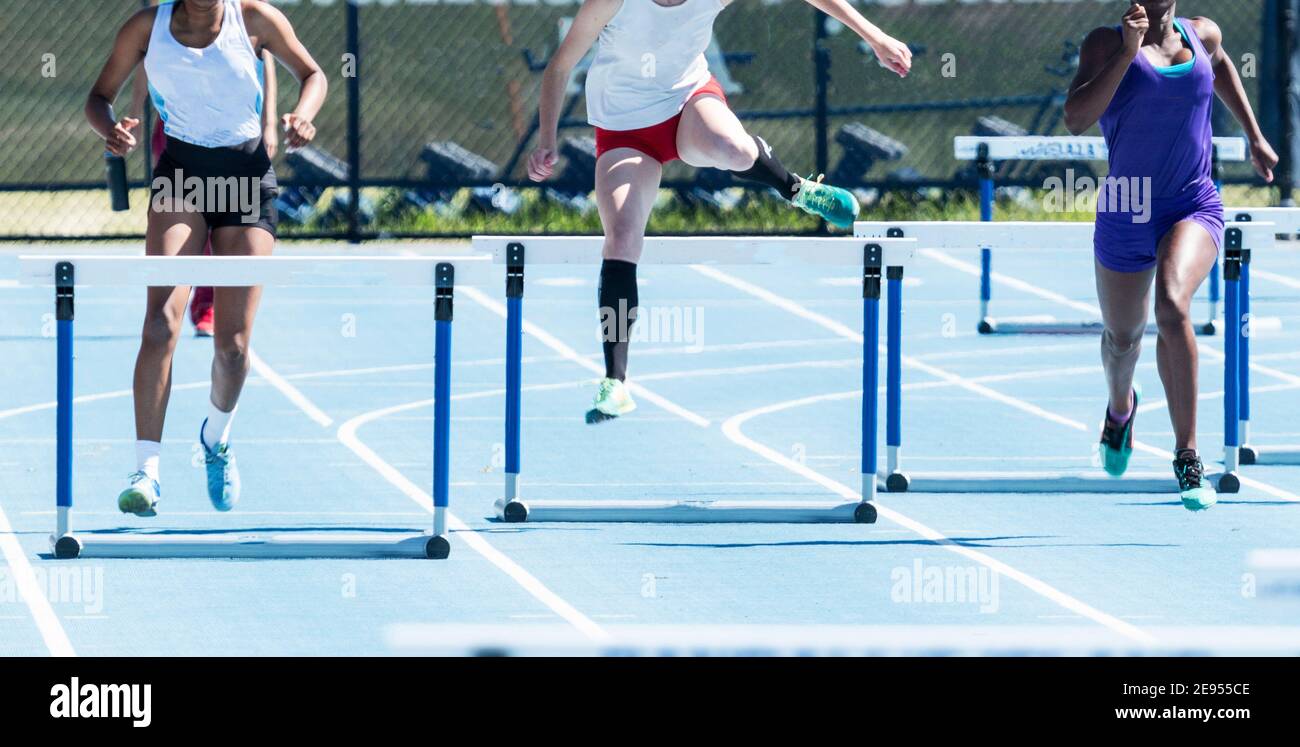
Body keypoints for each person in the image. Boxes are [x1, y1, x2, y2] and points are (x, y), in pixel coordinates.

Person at [526, 0, 911, 422]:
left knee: (734, 148)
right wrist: (547, 140)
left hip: (688, 104)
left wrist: (875, 36)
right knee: (620, 238)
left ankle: (796, 189)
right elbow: (561, 65)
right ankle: (616, 382)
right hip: (623, 131)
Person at [86, 0, 326, 516]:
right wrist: (109, 129)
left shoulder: (256, 18)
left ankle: (215, 440)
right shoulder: (147, 27)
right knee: (158, 324)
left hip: (245, 181)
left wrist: (302, 118)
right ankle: (146, 471)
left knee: (233, 346)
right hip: (182, 178)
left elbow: (313, 74)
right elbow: (97, 97)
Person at [1064, 0, 1278, 510]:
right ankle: (1121, 409)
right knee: (1122, 339)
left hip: (1192, 202)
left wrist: (1254, 135)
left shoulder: (1202, 34)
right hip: (1125, 205)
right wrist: (1128, 52)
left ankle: (1187, 456)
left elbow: (1220, 63)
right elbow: (1076, 119)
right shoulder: (1104, 45)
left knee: (1173, 305)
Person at [129, 0, 281, 338]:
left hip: (237, 137)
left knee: (226, 224)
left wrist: (269, 122)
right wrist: (135, 110)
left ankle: (208, 304)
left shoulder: (249, 15)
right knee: (187, 217)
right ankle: (177, 303)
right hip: (177, 135)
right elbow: (147, 62)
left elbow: (265, 61)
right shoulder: (160, 18)